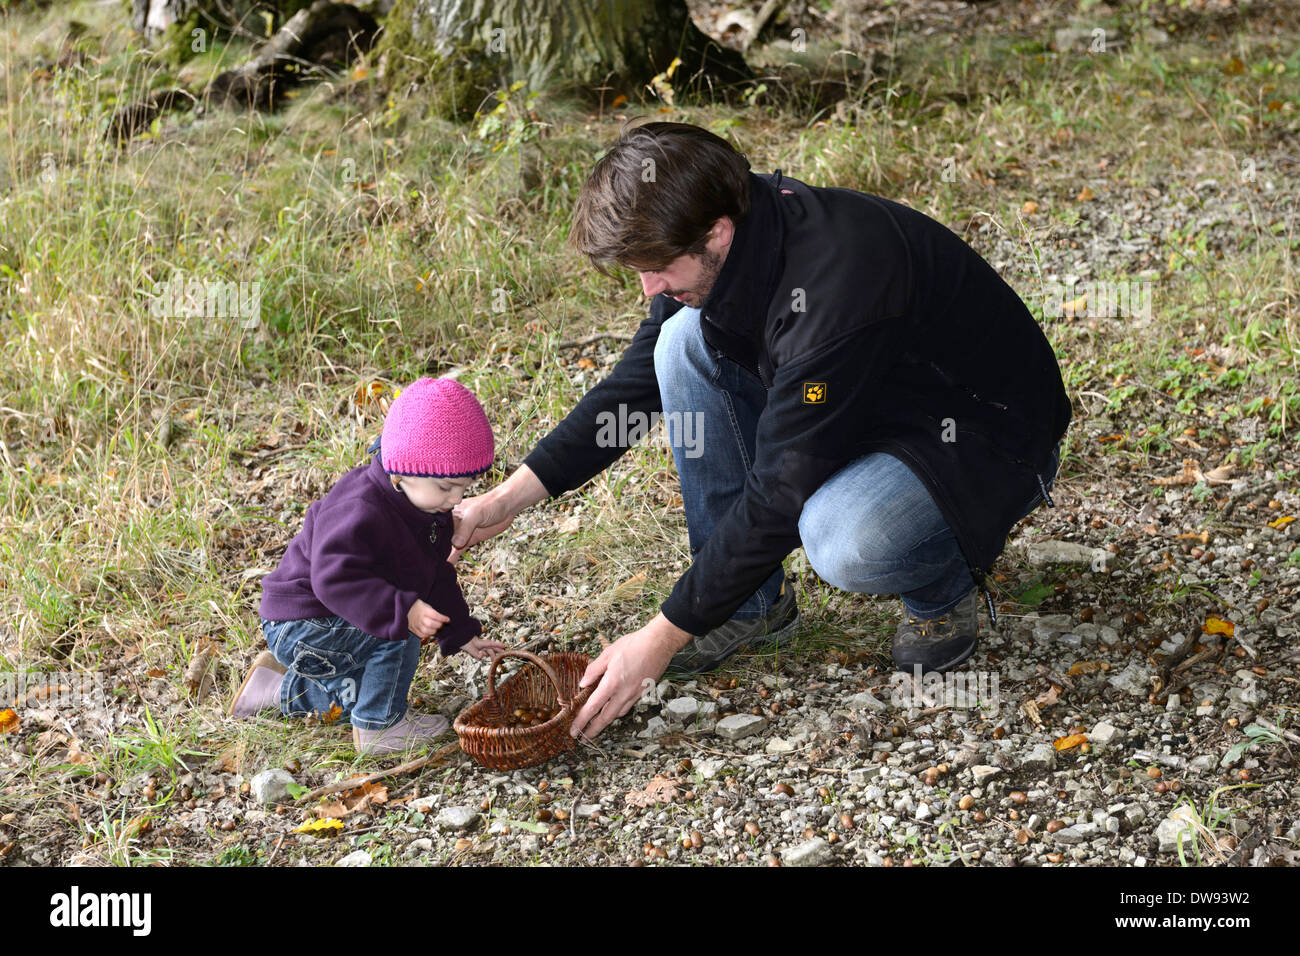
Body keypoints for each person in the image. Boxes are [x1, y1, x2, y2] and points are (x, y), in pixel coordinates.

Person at [450, 121, 1071, 741]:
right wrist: (507, 497)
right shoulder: (727, 239)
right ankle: (749, 608)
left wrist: (661, 637)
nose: (649, 288)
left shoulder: (835, 288)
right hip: (867, 399)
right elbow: (634, 389)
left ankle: (943, 586)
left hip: (978, 437)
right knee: (678, 347)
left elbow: (780, 493)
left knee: (842, 538)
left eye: (658, 268)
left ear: (717, 231)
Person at [232, 377, 506, 754]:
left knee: (367, 687)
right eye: (447, 487)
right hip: (303, 622)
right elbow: (332, 578)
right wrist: (403, 609)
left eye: (466, 485)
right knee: (399, 625)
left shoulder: (423, 502)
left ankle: (273, 690)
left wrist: (460, 632)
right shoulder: (360, 509)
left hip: (335, 617)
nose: (456, 498)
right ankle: (379, 727)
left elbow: (435, 573)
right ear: (400, 470)